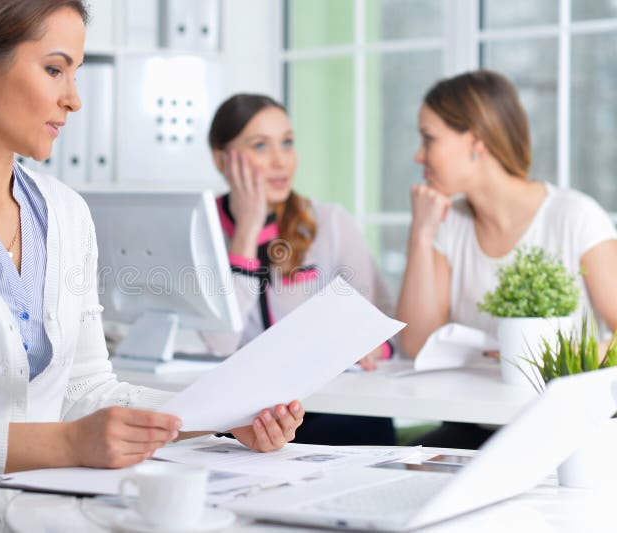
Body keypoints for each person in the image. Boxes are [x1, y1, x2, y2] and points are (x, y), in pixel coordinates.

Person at [0, 3, 303, 531]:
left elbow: (87, 391)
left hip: (38, 518)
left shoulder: (66, 212)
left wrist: (223, 418)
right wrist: (68, 442)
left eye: (75, 72)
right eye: (54, 69)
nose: (73, 98)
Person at [397, 69, 617, 448]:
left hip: (568, 430)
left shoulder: (575, 218)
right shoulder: (451, 227)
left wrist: (548, 355)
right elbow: (416, 343)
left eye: (428, 138)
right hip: (482, 428)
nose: (419, 155)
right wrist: (421, 234)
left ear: (476, 140)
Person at [201, 93, 396, 446]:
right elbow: (215, 347)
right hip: (242, 420)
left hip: (331, 410)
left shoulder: (330, 223)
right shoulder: (201, 230)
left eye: (287, 143)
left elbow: (383, 325)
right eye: (260, 146)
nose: (280, 161)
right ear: (221, 159)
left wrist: (374, 348)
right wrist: (246, 232)